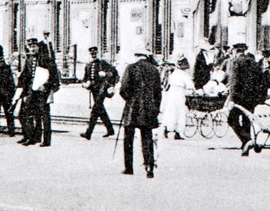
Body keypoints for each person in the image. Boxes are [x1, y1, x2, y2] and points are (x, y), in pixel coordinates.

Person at [120, 46, 162, 177]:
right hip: (148, 110)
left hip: (133, 109)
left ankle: (129, 168)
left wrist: (130, 99)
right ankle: (149, 168)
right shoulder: (154, 70)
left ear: (137, 55)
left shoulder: (131, 68)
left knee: (128, 139)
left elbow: (123, 90)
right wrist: (155, 109)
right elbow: (158, 94)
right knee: (147, 138)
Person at [227, 43, 261, 156]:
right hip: (252, 97)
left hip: (239, 98)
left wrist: (231, 98)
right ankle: (245, 146)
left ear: (236, 51)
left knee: (231, 119)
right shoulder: (253, 62)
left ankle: (246, 140)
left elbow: (234, 81)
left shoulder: (236, 62)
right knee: (247, 120)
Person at [80, 46, 119, 139]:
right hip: (93, 90)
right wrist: (85, 84)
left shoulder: (102, 64)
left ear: (97, 53)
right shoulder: (88, 66)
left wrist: (105, 74)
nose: (93, 55)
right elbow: (85, 78)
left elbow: (114, 73)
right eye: (91, 54)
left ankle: (88, 133)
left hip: (101, 90)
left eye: (95, 53)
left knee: (95, 110)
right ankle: (110, 130)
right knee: (100, 110)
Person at [161, 56, 193, 140]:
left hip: (171, 93)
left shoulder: (174, 73)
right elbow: (190, 85)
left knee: (170, 111)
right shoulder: (184, 75)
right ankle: (178, 131)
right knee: (180, 112)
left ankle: (167, 128)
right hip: (179, 93)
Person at [0, 43, 17, 137]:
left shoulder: (0, 67)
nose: (1, 59)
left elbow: (11, 81)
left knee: (6, 113)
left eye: (1, 58)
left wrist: (12, 93)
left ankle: (9, 131)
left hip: (4, 94)